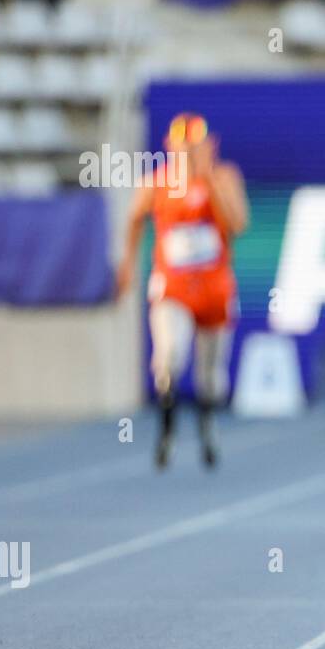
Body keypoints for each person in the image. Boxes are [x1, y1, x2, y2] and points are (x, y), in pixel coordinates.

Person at [117, 113, 249, 469]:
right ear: (169, 148)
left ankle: (207, 426)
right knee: (171, 354)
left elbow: (237, 223)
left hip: (214, 285)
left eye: (195, 147)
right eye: (182, 149)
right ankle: (167, 428)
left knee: (211, 372)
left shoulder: (223, 178)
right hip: (173, 285)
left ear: (210, 146)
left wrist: (207, 180)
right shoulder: (157, 183)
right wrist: (127, 265)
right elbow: (133, 218)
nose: (188, 155)